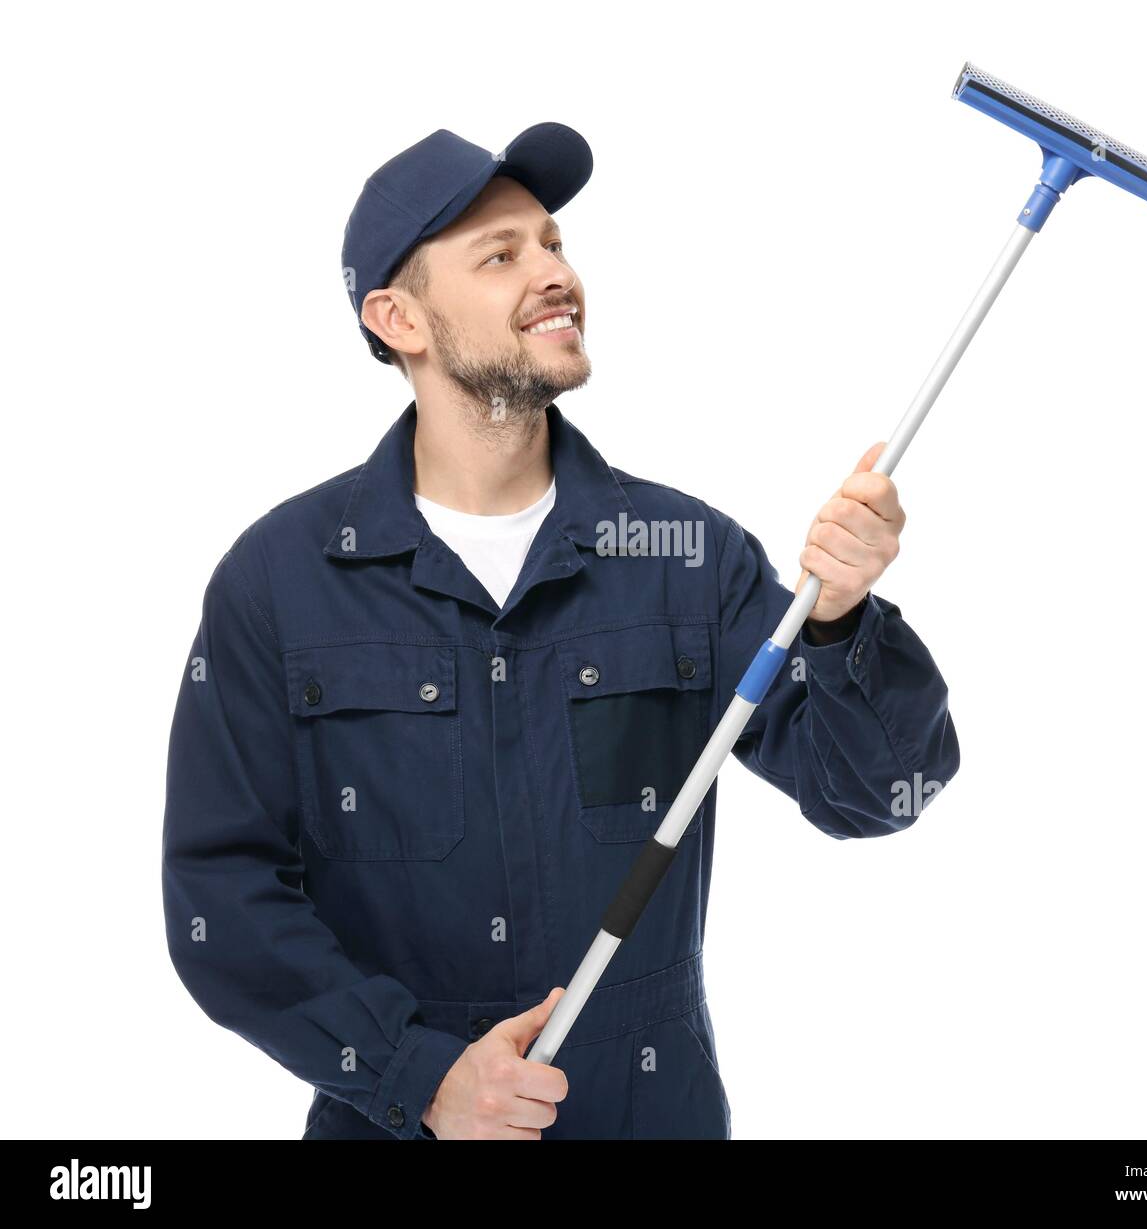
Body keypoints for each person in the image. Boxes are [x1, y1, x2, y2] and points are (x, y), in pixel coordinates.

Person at [162, 122, 960, 1140]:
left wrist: (841, 622)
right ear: (398, 318)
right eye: (500, 255)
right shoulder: (280, 582)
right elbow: (221, 896)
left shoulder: (682, 555)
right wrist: (421, 1076)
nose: (554, 274)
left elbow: (877, 794)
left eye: (553, 243)